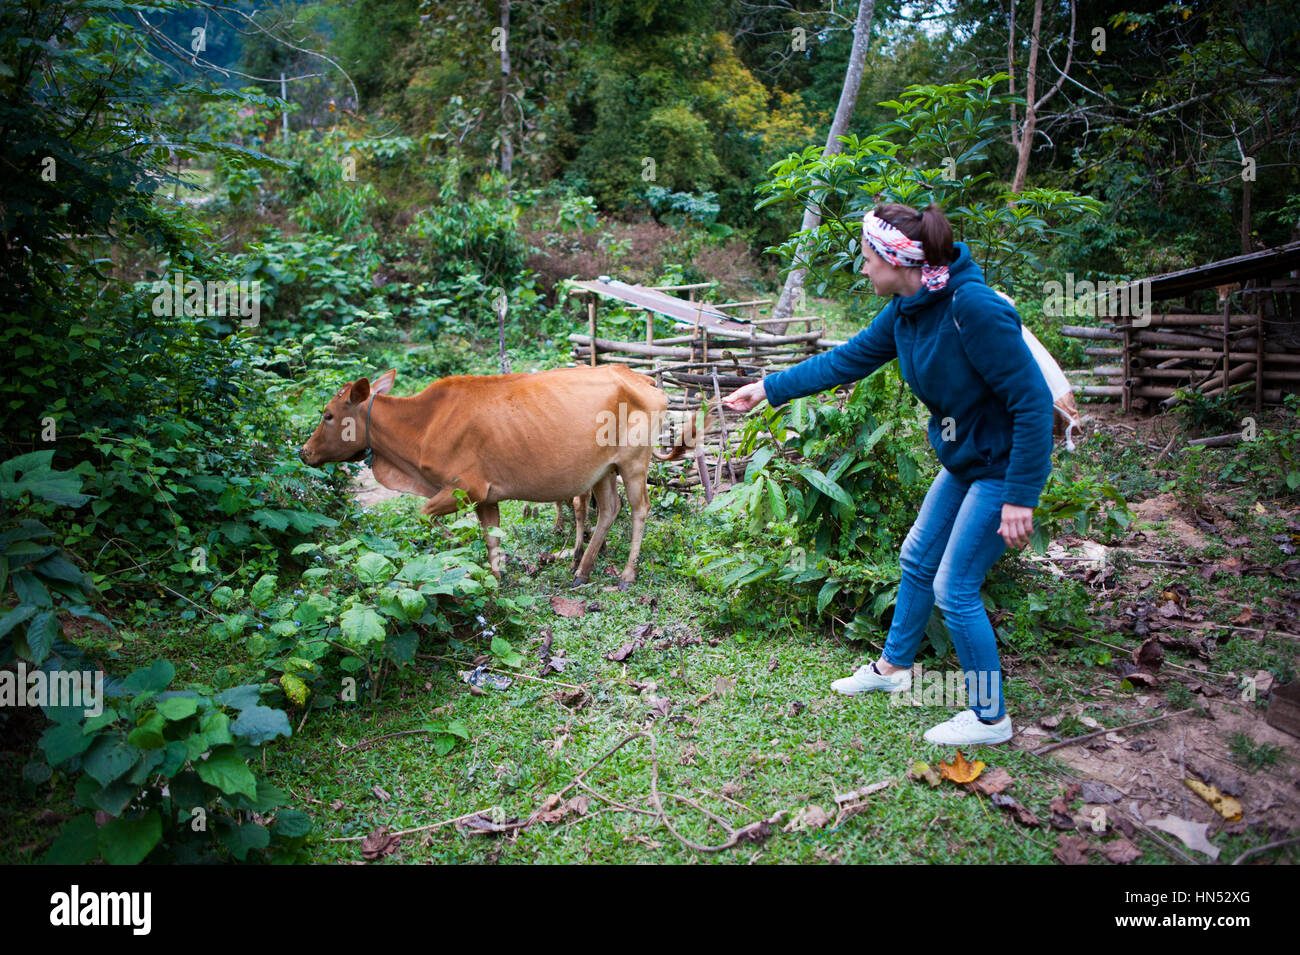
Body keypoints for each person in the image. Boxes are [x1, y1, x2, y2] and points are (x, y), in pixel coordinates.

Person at [723, 203, 1054, 746]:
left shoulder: (971, 309)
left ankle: (990, 717)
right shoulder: (908, 307)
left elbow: (1033, 403)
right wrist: (769, 388)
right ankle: (894, 668)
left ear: (897, 262)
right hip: (966, 461)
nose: (862, 269)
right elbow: (847, 359)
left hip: (1002, 467)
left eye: (866, 258)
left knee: (956, 586)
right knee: (917, 557)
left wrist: (1021, 496)